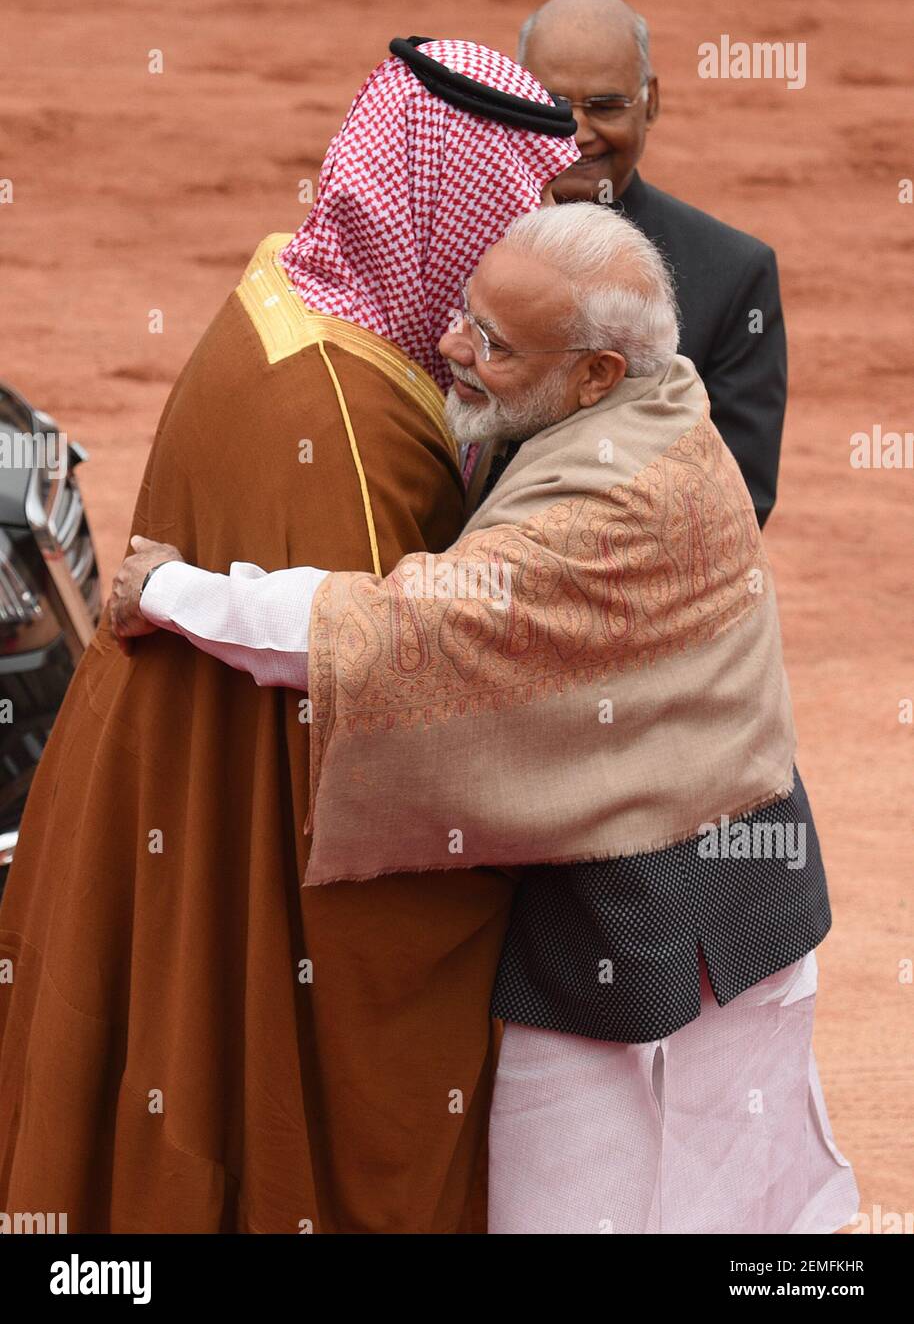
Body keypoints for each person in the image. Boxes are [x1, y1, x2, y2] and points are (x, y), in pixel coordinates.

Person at [111, 203, 859, 1234]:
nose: (451, 347)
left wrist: (172, 591)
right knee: (743, 1203)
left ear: (596, 373)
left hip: (633, 936)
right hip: (749, 903)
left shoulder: (600, 513)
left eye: (494, 344)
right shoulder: (664, 407)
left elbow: (387, 634)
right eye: (462, 314)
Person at [0, 38, 579, 1233]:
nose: (530, 266)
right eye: (515, 221)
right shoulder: (352, 440)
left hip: (152, 808)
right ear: (444, 212)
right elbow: (381, 748)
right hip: (264, 872)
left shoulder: (284, 286)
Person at [464, 0, 787, 528]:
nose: (579, 131)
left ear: (651, 101)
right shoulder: (458, 236)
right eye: (552, 103)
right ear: (518, 98)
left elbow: (736, 499)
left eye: (606, 106)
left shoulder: (731, 273)